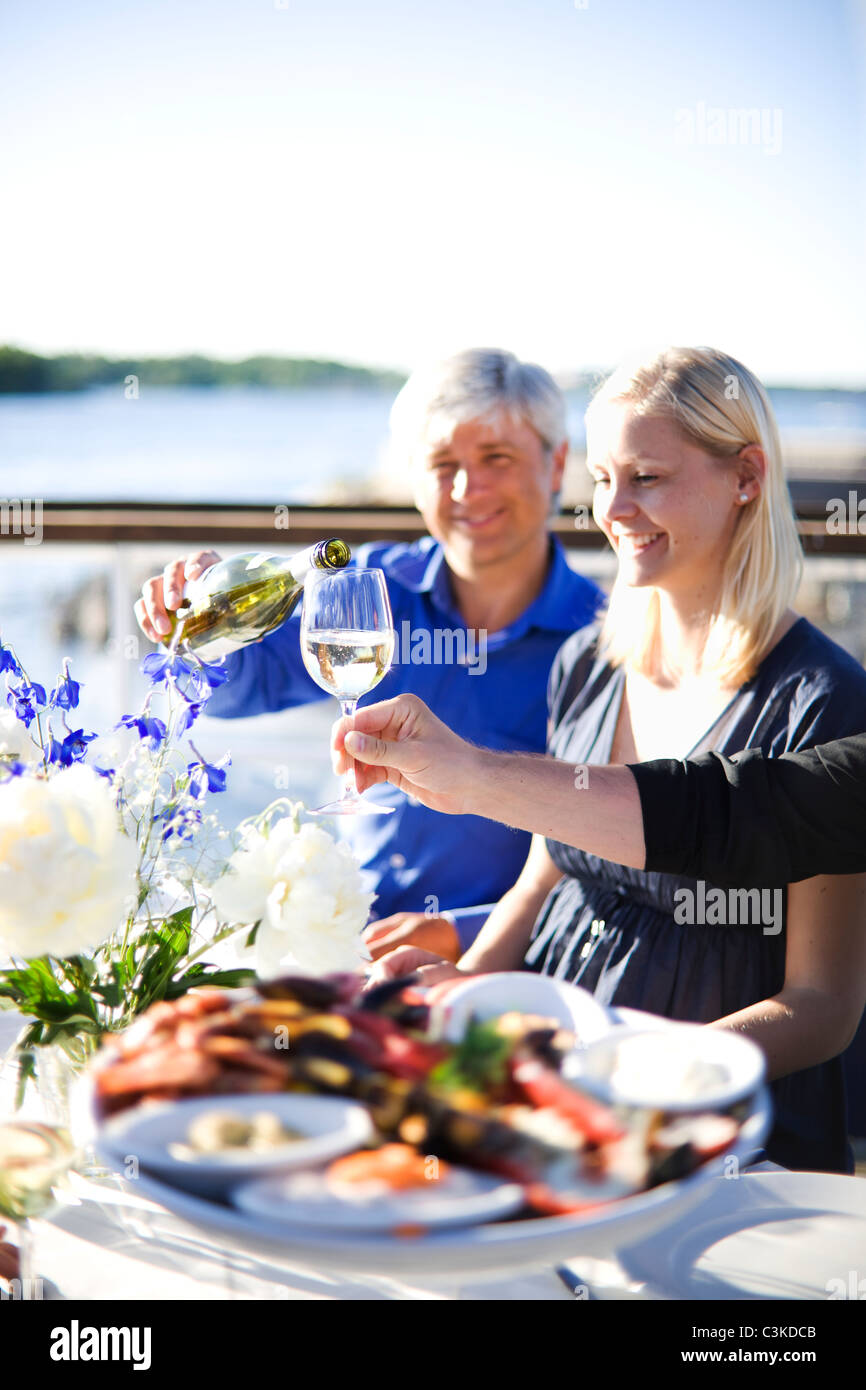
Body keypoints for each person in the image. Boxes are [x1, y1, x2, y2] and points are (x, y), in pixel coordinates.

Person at [335, 346, 866, 1173]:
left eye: (647, 477)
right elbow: (545, 876)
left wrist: (642, 1076)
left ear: (747, 478)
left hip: (712, 1126)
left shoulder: (822, 700)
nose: (613, 509)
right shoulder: (589, 659)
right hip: (549, 1081)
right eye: (603, 477)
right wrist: (467, 991)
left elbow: (823, 1006)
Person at [134, 348, 603, 962]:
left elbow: (600, 858)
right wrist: (197, 627)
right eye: (442, 464)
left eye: (497, 457)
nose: (468, 487)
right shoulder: (375, 585)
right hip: (352, 938)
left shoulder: (602, 640)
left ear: (555, 464)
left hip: (507, 960)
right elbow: (239, 689)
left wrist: (458, 933)